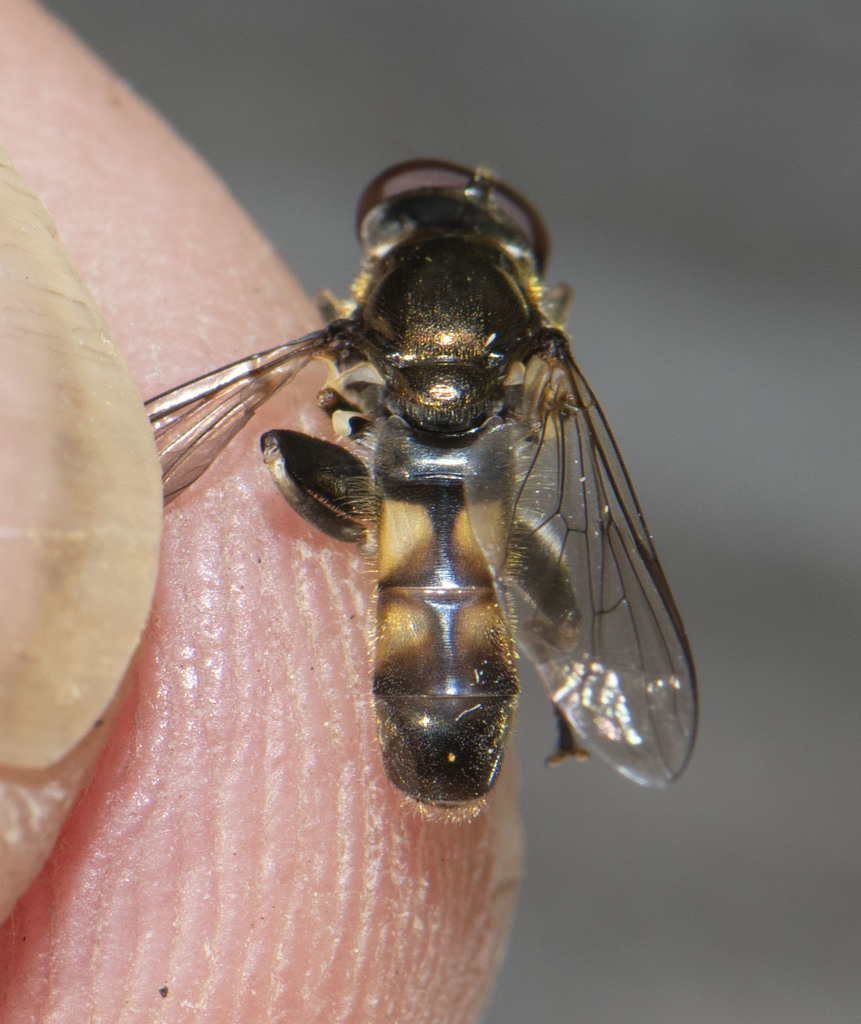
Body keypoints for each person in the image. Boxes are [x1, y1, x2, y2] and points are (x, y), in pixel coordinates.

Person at [0, 3, 521, 1020]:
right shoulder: (537, 351)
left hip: (393, 493)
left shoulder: (369, 312)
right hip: (465, 536)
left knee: (292, 448)